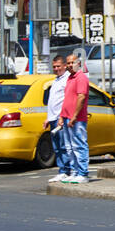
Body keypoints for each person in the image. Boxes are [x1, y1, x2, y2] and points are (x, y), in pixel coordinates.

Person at [60, 49, 91, 184]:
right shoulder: (69, 78)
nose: (70, 65)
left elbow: (81, 97)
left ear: (78, 63)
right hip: (67, 117)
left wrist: (74, 116)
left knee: (79, 145)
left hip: (77, 119)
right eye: (68, 63)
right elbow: (66, 98)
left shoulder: (81, 77)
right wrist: (62, 116)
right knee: (69, 147)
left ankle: (83, 173)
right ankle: (75, 171)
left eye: (73, 62)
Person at [45, 54, 72, 183]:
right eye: (54, 67)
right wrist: (47, 118)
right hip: (52, 118)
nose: (56, 69)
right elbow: (53, 101)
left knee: (63, 145)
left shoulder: (67, 79)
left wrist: (62, 116)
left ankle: (66, 170)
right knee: (56, 146)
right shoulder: (56, 80)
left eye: (58, 66)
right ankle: (62, 170)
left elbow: (67, 99)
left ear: (65, 66)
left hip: (60, 118)